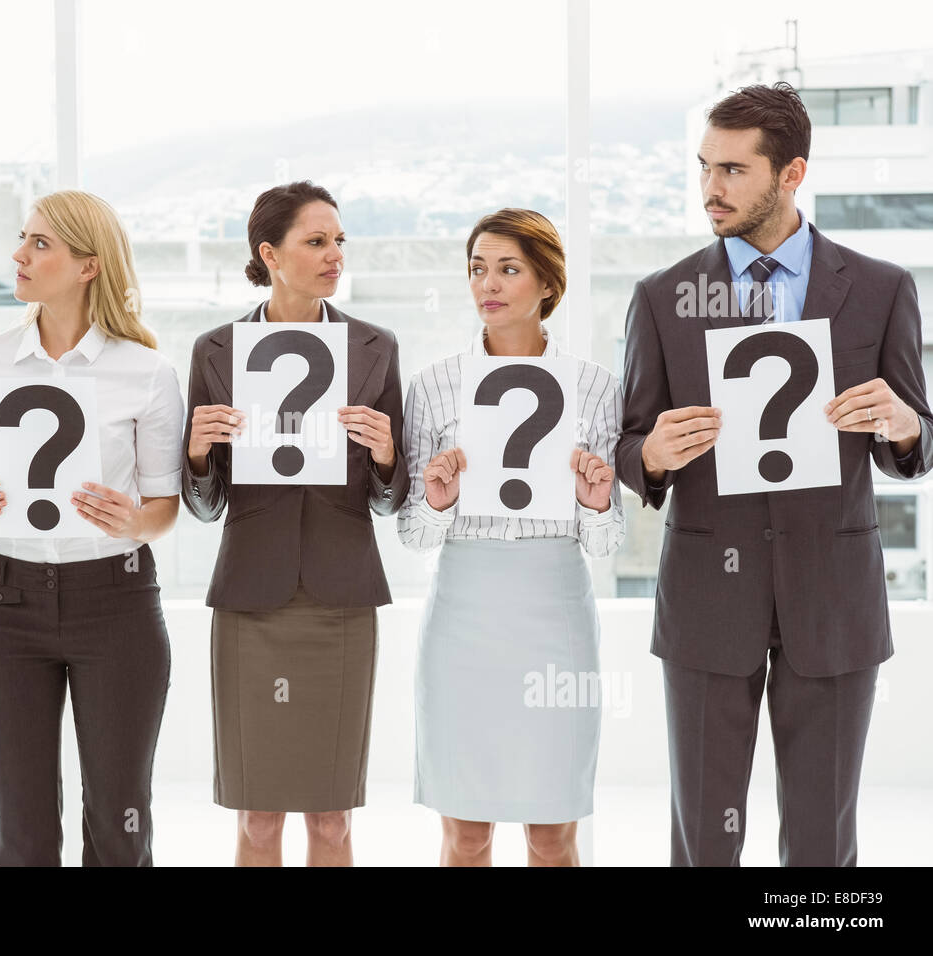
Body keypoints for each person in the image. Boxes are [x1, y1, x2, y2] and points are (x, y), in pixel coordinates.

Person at [615, 82, 933, 866]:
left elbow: (920, 436)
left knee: (824, 843)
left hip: (833, 597)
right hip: (705, 596)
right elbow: (629, 443)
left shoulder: (882, 288)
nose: (709, 190)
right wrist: (652, 454)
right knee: (703, 841)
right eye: (703, 168)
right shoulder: (661, 298)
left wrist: (900, 423)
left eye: (731, 171)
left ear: (791, 174)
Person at [0, 190, 182, 867]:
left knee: (120, 818)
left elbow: (165, 506)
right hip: (4, 602)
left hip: (118, 603)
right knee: (20, 825)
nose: (20, 254)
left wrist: (135, 519)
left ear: (89, 265)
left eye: (41, 243)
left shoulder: (147, 373)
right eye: (23, 238)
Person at [181, 180, 408, 866]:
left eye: (339, 240)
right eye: (316, 242)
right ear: (270, 254)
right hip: (252, 598)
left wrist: (388, 453)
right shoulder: (215, 350)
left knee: (333, 820)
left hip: (341, 599)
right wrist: (197, 451)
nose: (334, 254)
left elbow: (389, 498)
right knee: (257, 818)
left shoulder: (375, 346)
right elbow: (204, 502)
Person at [398, 208, 624, 867]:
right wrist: (438, 503)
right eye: (476, 269)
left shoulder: (595, 387)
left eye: (508, 269)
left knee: (552, 835)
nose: (487, 284)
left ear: (547, 283)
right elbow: (414, 535)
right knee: (465, 834)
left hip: (555, 610)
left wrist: (597, 501)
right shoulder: (434, 387)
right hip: (463, 615)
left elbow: (607, 544)